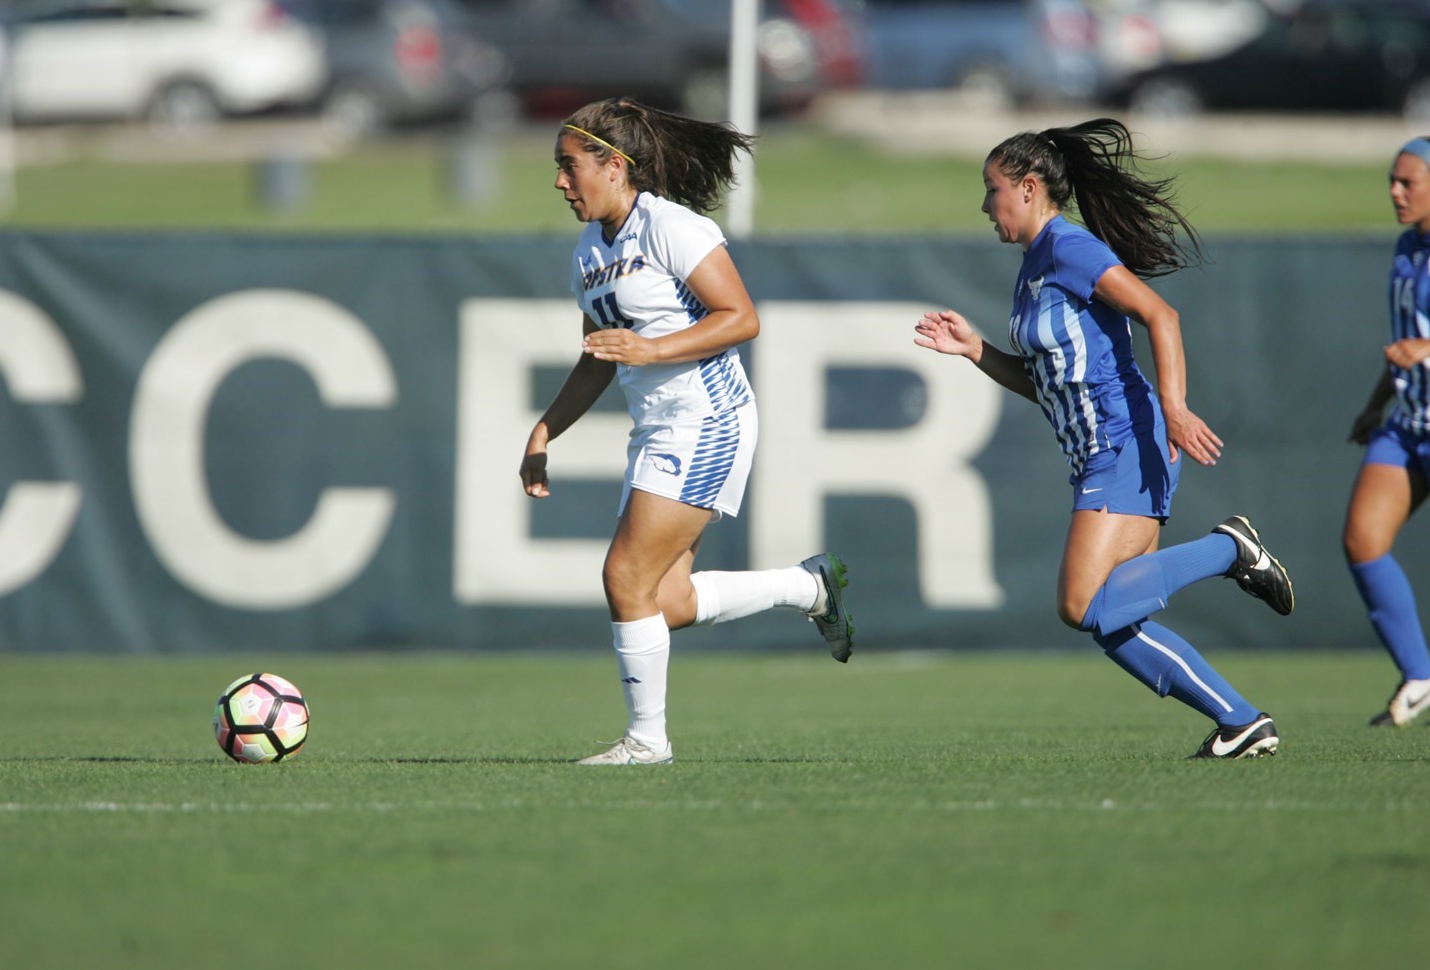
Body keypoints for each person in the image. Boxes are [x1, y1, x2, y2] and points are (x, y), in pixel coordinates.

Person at [912, 118, 1294, 759]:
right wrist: (977, 350)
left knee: (1079, 602)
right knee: (1114, 621)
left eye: (991, 188)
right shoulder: (1033, 266)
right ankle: (1240, 721)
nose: (985, 204)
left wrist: (1174, 407)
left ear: (1029, 187)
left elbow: (1159, 314)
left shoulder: (1069, 247)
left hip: (1125, 444)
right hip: (1101, 453)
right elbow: (1047, 384)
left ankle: (1228, 549)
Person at [520, 97, 854, 766]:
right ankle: (808, 586)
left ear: (614, 166)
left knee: (624, 578)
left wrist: (651, 350)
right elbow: (599, 358)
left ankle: (647, 742)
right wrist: (544, 431)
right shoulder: (589, 251)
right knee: (664, 600)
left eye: (569, 165)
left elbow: (741, 317)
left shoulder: (671, 226)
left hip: (708, 420)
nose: (559, 181)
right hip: (658, 430)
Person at [1344, 137, 1430, 726]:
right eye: (1392, 182)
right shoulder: (1407, 247)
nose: (1396, 193)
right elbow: (1405, 342)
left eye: (1408, 182)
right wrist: (1376, 405)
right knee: (1362, 540)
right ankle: (1419, 676)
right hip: (1409, 424)